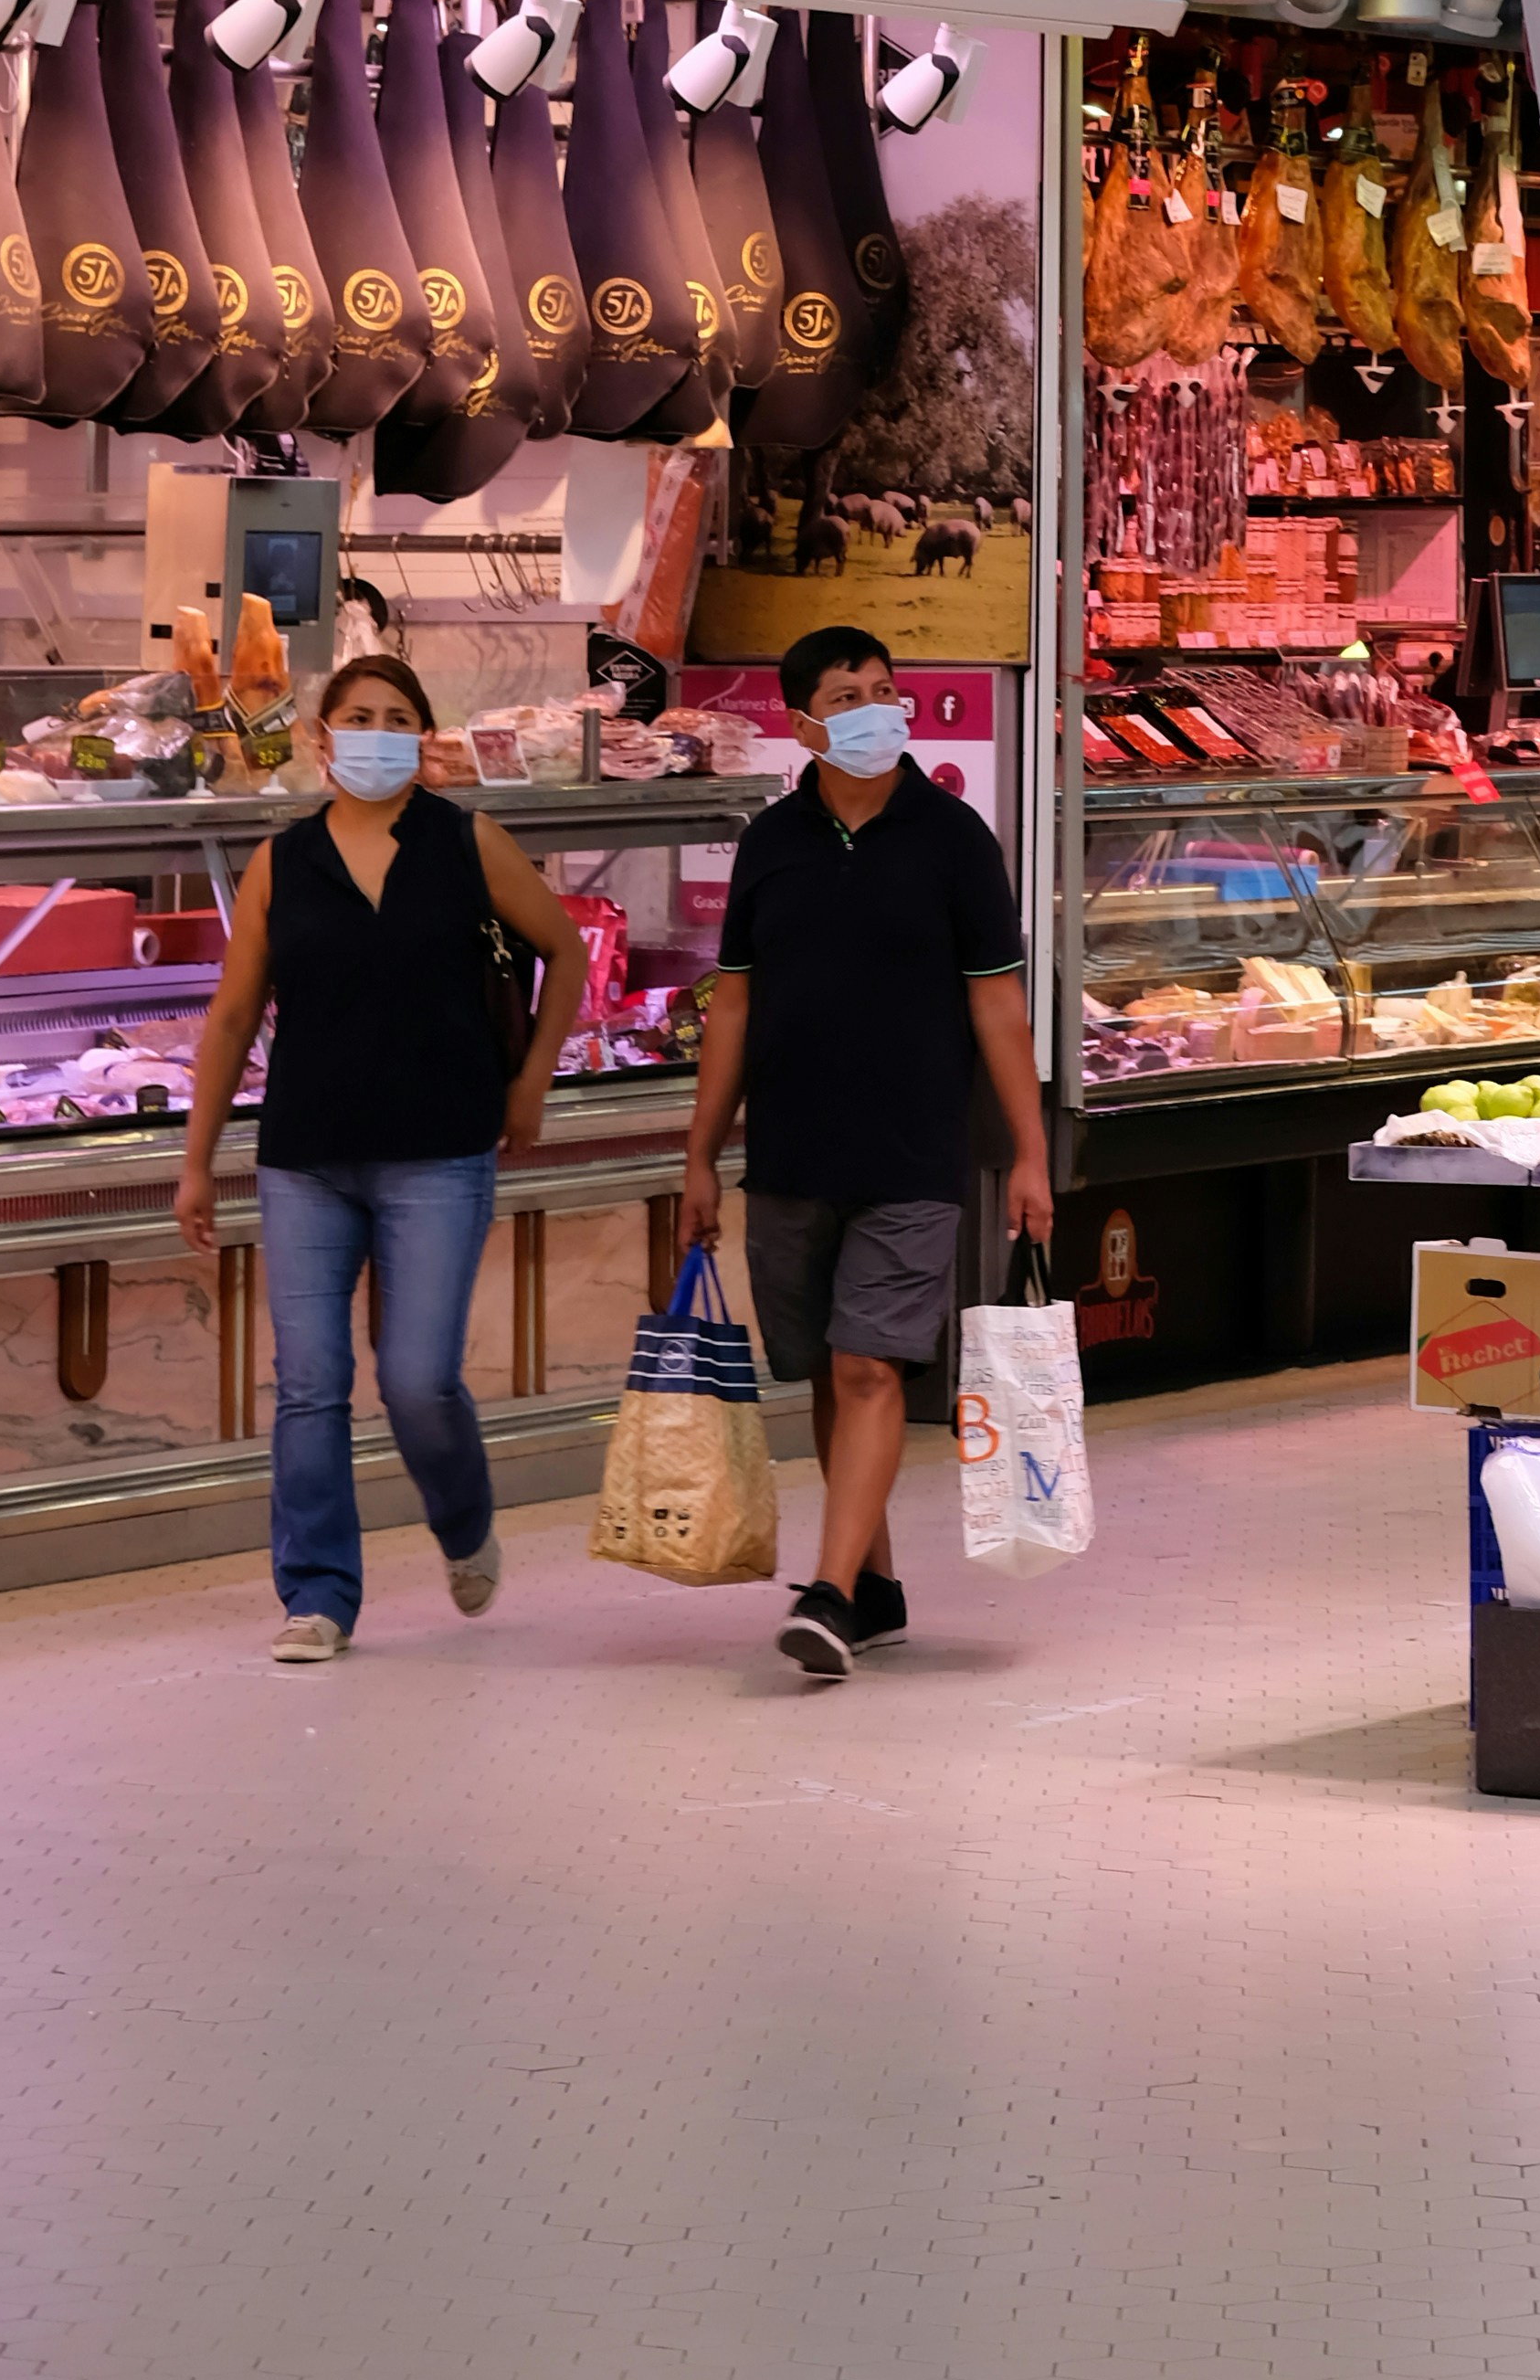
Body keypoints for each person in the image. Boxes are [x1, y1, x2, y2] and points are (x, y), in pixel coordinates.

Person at [174, 655, 593, 1661]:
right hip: (305, 1156)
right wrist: (198, 1160)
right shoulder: (283, 860)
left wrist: (532, 1082)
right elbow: (233, 1017)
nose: (374, 732)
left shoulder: (468, 842)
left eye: (396, 717)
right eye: (356, 716)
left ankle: (462, 1517)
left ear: (422, 739)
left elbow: (566, 951)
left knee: (416, 1378)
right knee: (310, 1381)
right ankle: (317, 1594)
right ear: (322, 737)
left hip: (439, 1152)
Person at [682, 625, 1050, 1682]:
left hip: (912, 1154)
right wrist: (701, 1154)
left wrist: (1027, 1153)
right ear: (802, 723)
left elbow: (999, 1010)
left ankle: (832, 1593)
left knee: (868, 1365)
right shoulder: (772, 842)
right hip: (792, 1149)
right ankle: (877, 1582)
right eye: (849, 695)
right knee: (822, 1373)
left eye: (885, 689)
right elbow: (735, 1006)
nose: (875, 708)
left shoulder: (953, 837)